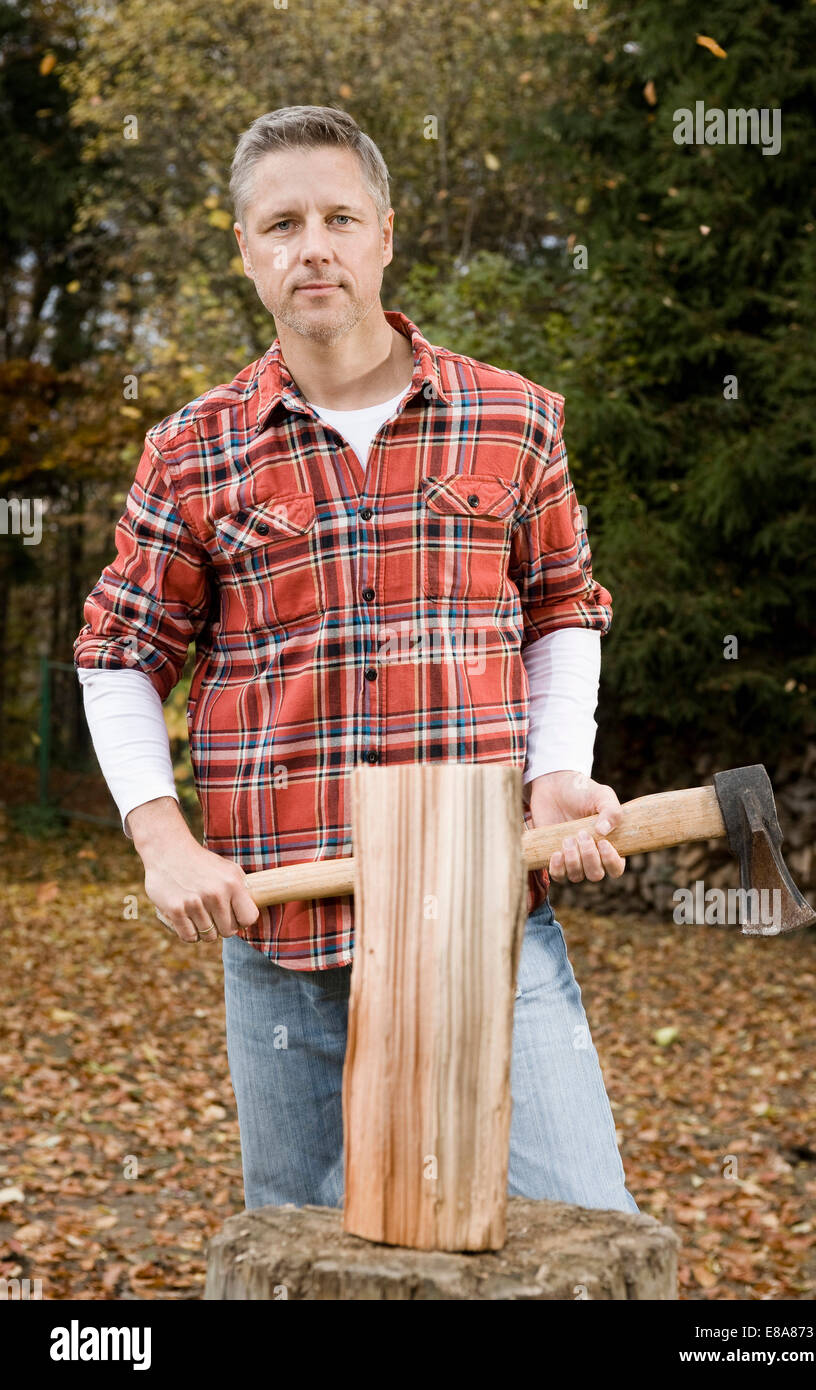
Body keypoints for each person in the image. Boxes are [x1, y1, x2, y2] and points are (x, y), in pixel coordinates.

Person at [74, 105, 638, 1216]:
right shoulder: (192, 451)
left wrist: (558, 771)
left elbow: (562, 609)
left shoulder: (512, 419)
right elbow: (120, 653)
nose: (313, 245)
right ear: (247, 252)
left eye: (340, 216)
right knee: (306, 1262)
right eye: (282, 223)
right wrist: (162, 840)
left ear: (387, 234)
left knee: (587, 1237)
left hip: (486, 921)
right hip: (286, 937)